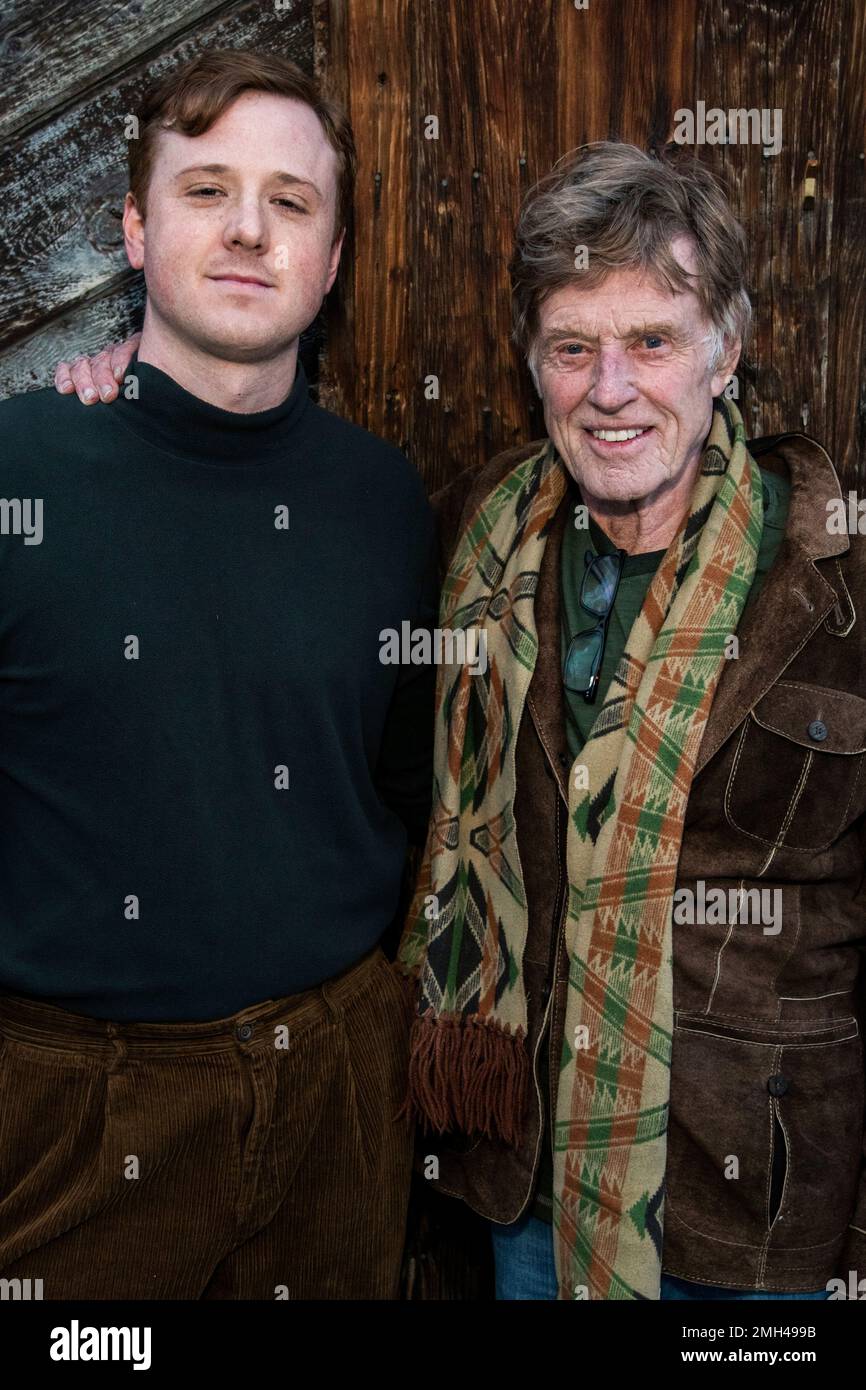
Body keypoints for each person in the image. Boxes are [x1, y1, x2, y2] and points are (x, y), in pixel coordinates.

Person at [0, 48, 437, 1300]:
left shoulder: (383, 501)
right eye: (205, 192)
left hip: (340, 1097)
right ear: (135, 231)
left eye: (291, 202)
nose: (249, 229)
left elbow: (400, 785)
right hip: (75, 1118)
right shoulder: (19, 472)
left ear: (335, 259)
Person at [396, 143, 866, 1300]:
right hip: (525, 1186)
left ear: (726, 349)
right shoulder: (474, 541)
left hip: (753, 1211)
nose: (610, 389)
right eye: (572, 348)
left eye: (650, 340)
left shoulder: (834, 585)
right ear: (533, 363)